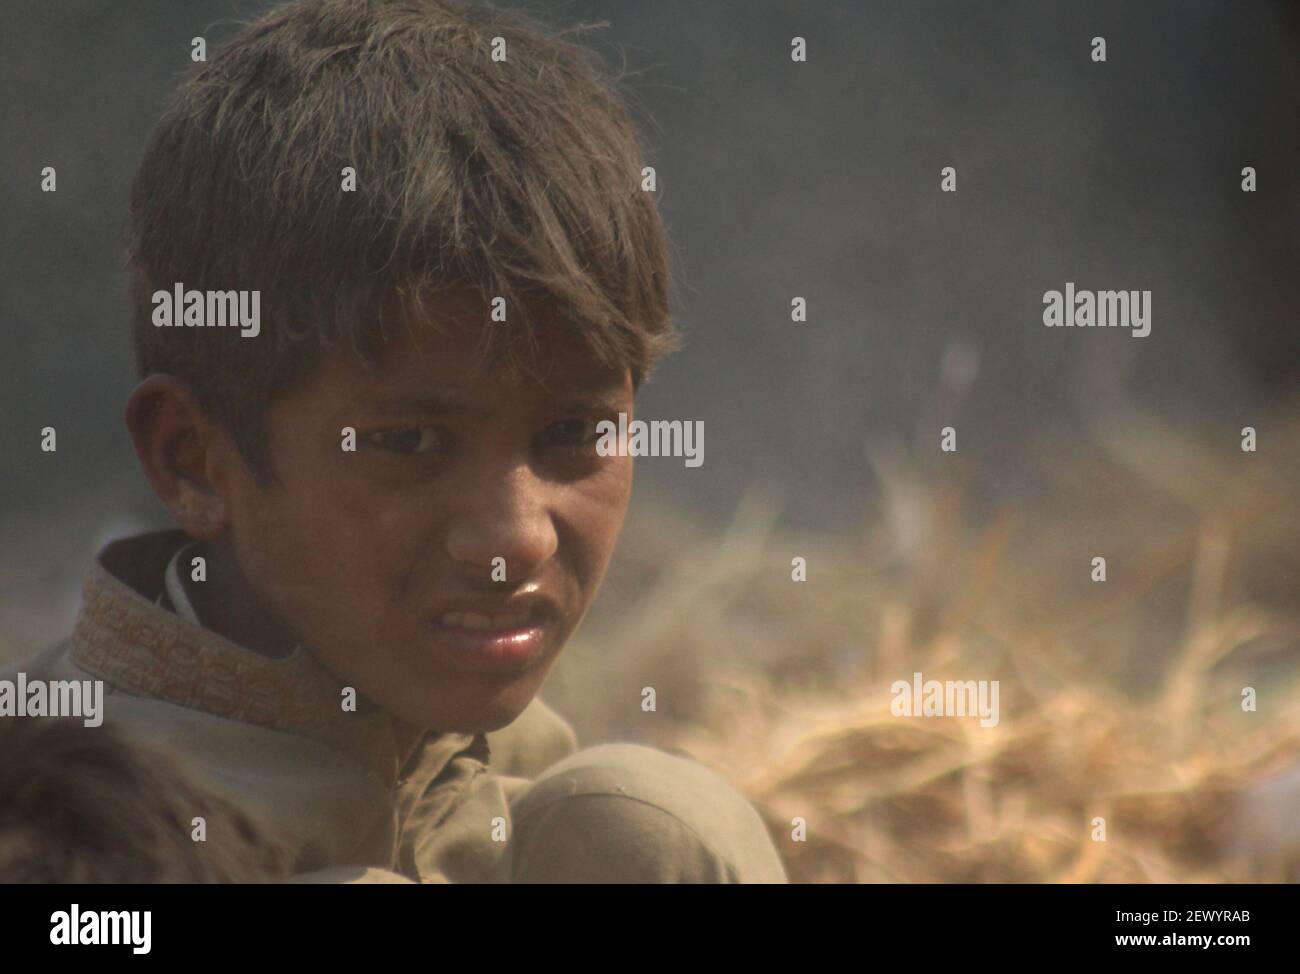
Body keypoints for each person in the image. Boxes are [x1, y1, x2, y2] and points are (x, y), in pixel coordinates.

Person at [0, 0, 785, 884]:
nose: (516, 539)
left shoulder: (462, 727)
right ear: (194, 458)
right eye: (409, 443)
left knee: (655, 828)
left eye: (574, 433)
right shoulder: (65, 829)